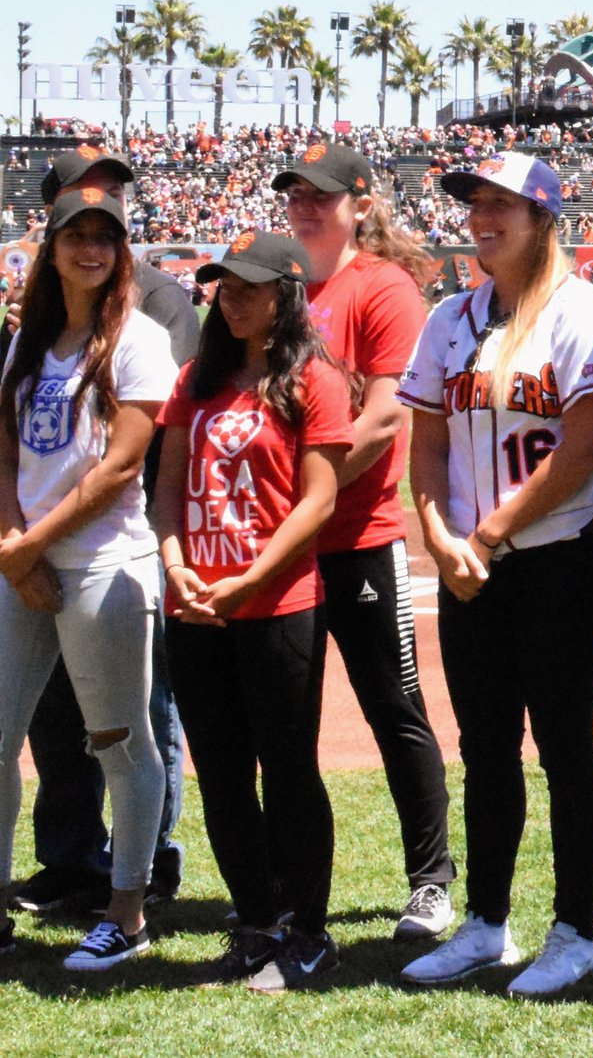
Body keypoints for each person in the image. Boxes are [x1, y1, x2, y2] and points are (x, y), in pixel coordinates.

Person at [398, 154, 593, 996]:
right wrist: (439, 536)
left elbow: (581, 451)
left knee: (566, 746)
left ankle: (576, 931)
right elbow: (424, 442)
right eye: (475, 204)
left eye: (503, 205)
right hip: (470, 567)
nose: (482, 217)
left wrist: (484, 535)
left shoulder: (582, 311)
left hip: (560, 558)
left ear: (543, 218)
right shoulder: (451, 317)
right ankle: (486, 923)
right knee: (485, 748)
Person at [152, 231, 352, 991]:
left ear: (285, 293)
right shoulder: (194, 380)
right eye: (221, 287)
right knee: (224, 775)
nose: (230, 298)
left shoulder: (314, 381)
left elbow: (318, 501)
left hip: (277, 606)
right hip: (196, 605)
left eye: (247, 286)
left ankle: (307, 930)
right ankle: (255, 922)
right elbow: (167, 488)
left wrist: (246, 582)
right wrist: (178, 565)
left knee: (289, 769)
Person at [271, 142, 458, 942]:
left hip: (359, 536)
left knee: (395, 708)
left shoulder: (383, 287)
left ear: (358, 201)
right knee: (284, 721)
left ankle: (431, 880)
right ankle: (289, 886)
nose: (305, 206)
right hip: (287, 544)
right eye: (294, 194)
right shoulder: (275, 288)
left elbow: (384, 420)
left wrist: (299, 502)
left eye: (321, 194)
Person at [10, 149, 191, 923]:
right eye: (75, 233)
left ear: (122, 251)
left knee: (121, 745)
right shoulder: (24, 342)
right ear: (50, 246)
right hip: (24, 564)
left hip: (103, 565)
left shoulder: (141, 338)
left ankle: (126, 912)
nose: (91, 247)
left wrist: (28, 543)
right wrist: (14, 543)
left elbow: (122, 466)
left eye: (106, 236)